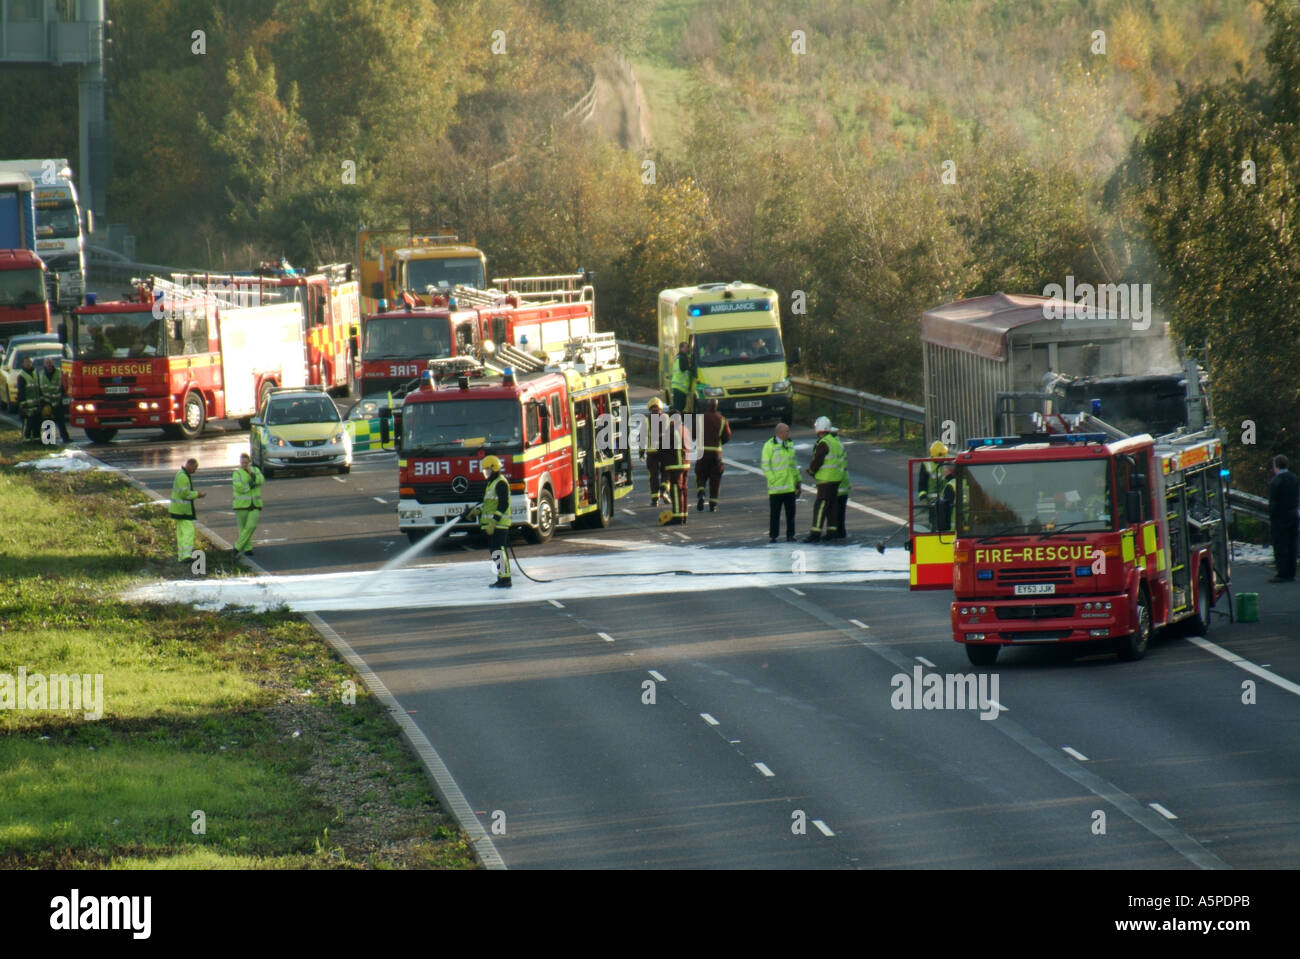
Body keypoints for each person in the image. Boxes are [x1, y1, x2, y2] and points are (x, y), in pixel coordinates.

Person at [804, 416, 846, 542]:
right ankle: (831, 531)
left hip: (825, 480)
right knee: (832, 506)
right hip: (836, 479)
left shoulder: (824, 443)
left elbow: (818, 461)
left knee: (821, 506)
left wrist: (811, 471)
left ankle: (815, 533)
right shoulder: (835, 441)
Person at [762, 421, 799, 542]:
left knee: (791, 514)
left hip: (789, 486)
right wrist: (773, 479)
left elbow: (793, 464)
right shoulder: (769, 445)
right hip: (776, 487)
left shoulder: (789, 444)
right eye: (787, 431)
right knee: (775, 514)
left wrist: (798, 480)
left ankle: (791, 534)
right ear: (780, 433)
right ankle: (773, 535)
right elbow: (765, 465)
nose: (789, 433)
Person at [479, 455, 512, 588]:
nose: (485, 473)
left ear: (494, 468)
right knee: (495, 551)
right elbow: (490, 504)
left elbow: (503, 504)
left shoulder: (500, 483)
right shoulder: (491, 483)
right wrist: (477, 510)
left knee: (499, 550)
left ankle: (505, 579)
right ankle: (501, 577)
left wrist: (494, 521)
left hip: (499, 524)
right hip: (494, 524)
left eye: (487, 470)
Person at [695, 398, 732, 511]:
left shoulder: (700, 418)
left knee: (701, 474)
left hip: (702, 452)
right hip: (716, 453)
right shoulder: (722, 420)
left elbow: (691, 432)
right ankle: (713, 504)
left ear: (707, 405)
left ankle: (701, 491)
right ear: (717, 406)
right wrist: (718, 442)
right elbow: (727, 436)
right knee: (715, 478)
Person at [1268, 454, 1299, 583]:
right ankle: (1291, 572)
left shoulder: (1276, 481)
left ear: (1276, 466)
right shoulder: (1293, 478)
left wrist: (1272, 515)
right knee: (1292, 544)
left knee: (1280, 545)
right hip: (1293, 514)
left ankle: (1282, 573)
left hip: (1280, 517)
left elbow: (1273, 502)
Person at [170, 458, 205, 564]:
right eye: (194, 468)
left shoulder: (180, 474)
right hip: (182, 510)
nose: (195, 471)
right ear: (189, 465)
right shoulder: (183, 477)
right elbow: (185, 494)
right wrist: (197, 494)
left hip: (178, 509)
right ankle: (186, 555)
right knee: (189, 531)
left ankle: (181, 555)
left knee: (181, 533)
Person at [660, 411, 692, 525]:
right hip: (686, 463)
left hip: (676, 465)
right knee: (684, 490)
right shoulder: (685, 429)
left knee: (676, 491)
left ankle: (677, 517)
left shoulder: (672, 430)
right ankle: (684, 515)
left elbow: (664, 447)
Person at [232, 452, 265, 558]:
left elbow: (261, 481)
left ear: (249, 462)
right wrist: (251, 485)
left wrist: (252, 474)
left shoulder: (255, 470)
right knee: (243, 528)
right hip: (241, 505)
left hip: (255, 504)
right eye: (242, 462)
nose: (244, 464)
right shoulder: (237, 473)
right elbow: (239, 488)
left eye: (246, 462)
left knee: (251, 526)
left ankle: (237, 547)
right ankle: (247, 548)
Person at [36, 356, 69, 443]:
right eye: (47, 363)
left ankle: (65, 438)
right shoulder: (41, 374)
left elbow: (63, 385)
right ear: (44, 364)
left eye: (50, 363)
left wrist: (62, 396)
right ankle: (48, 440)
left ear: (52, 363)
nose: (49, 365)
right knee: (47, 421)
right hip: (46, 402)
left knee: (61, 421)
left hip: (57, 401)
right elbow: (39, 387)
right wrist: (42, 400)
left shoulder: (58, 372)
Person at [643, 396, 666, 507]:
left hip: (651, 452)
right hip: (665, 451)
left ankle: (654, 499)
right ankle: (664, 489)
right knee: (666, 471)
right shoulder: (666, 418)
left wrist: (641, 451)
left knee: (653, 475)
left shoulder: (646, 420)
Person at [830, 424, 849, 540]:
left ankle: (836, 533)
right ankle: (841, 532)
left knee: (834, 511)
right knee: (841, 511)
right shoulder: (839, 444)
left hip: (836, 483)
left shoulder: (831, 445)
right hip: (844, 483)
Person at [17, 355, 40, 442]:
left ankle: (37, 437)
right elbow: (21, 391)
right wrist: (23, 404)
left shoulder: (35, 373)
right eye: (26, 362)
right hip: (27, 404)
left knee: (36, 421)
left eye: (29, 362)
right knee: (27, 422)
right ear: (23, 364)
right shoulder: (21, 376)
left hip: (36, 403)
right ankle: (25, 438)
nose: (28, 364)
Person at [670, 339, 694, 413]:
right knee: (678, 408)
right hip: (679, 386)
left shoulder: (681, 356)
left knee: (680, 407)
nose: (687, 349)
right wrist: (691, 368)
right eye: (686, 347)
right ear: (681, 348)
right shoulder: (682, 357)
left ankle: (677, 422)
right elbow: (683, 368)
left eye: (688, 347)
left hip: (679, 386)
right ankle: (675, 423)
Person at [934, 461, 957, 533]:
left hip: (953, 524)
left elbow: (946, 507)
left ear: (948, 470)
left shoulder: (950, 485)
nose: (943, 471)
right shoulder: (967, 481)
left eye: (944, 469)